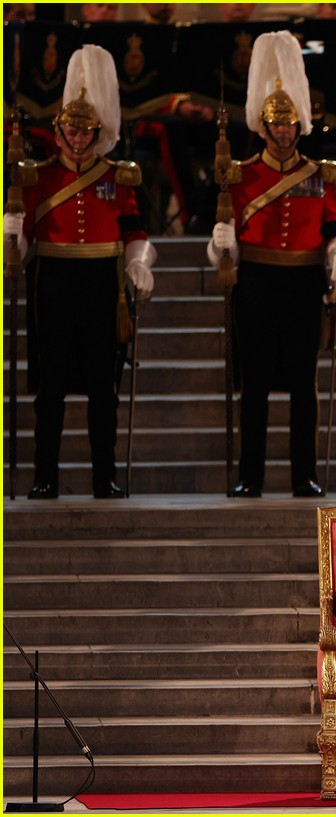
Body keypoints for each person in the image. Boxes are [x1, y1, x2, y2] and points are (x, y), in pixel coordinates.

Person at [207, 31, 336, 498]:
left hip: (302, 285)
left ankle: (303, 475)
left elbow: (335, 228)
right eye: (278, 125)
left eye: (291, 125)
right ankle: (249, 475)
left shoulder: (321, 174)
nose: (285, 132)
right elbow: (224, 241)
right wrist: (219, 246)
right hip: (256, 282)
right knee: (254, 385)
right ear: (263, 127)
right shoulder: (241, 173)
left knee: (301, 385)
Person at [5, 45, 156, 500]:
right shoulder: (36, 178)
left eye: (84, 130)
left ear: (97, 132)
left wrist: (138, 262)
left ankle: (103, 477)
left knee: (102, 389)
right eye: (70, 128)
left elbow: (135, 232)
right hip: (51, 283)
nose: (77, 137)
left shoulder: (119, 177)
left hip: (100, 288)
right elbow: (23, 243)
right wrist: (11, 237)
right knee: (49, 390)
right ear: (58, 130)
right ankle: (44, 476)